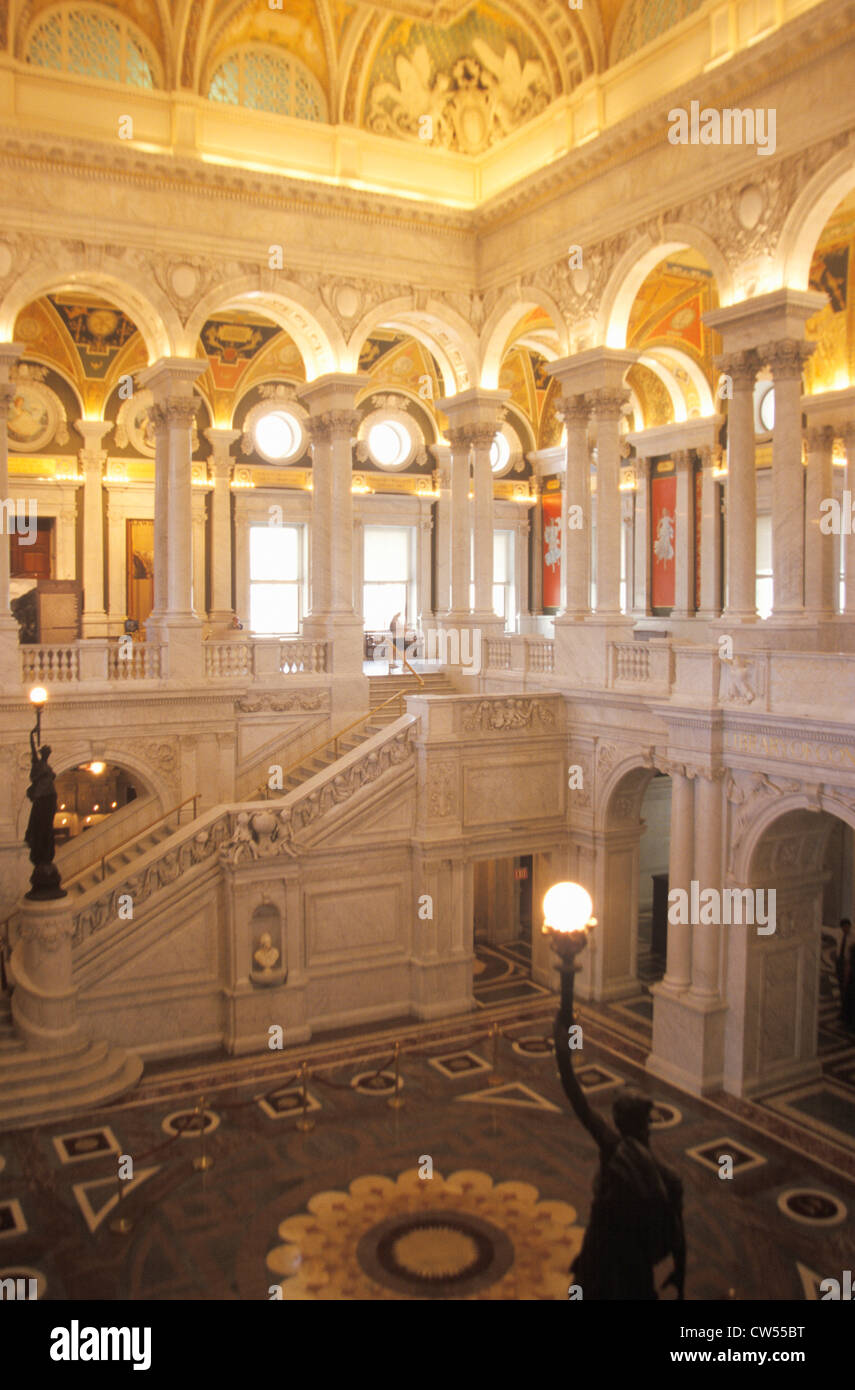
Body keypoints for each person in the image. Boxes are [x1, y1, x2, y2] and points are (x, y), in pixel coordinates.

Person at [553, 1002, 685, 1299]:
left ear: (623, 1121)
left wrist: (562, 1054)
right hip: (632, 1266)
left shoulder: (614, 1147)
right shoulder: (667, 1176)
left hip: (604, 1259)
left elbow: (578, 1100)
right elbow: (676, 1236)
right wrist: (680, 1273)